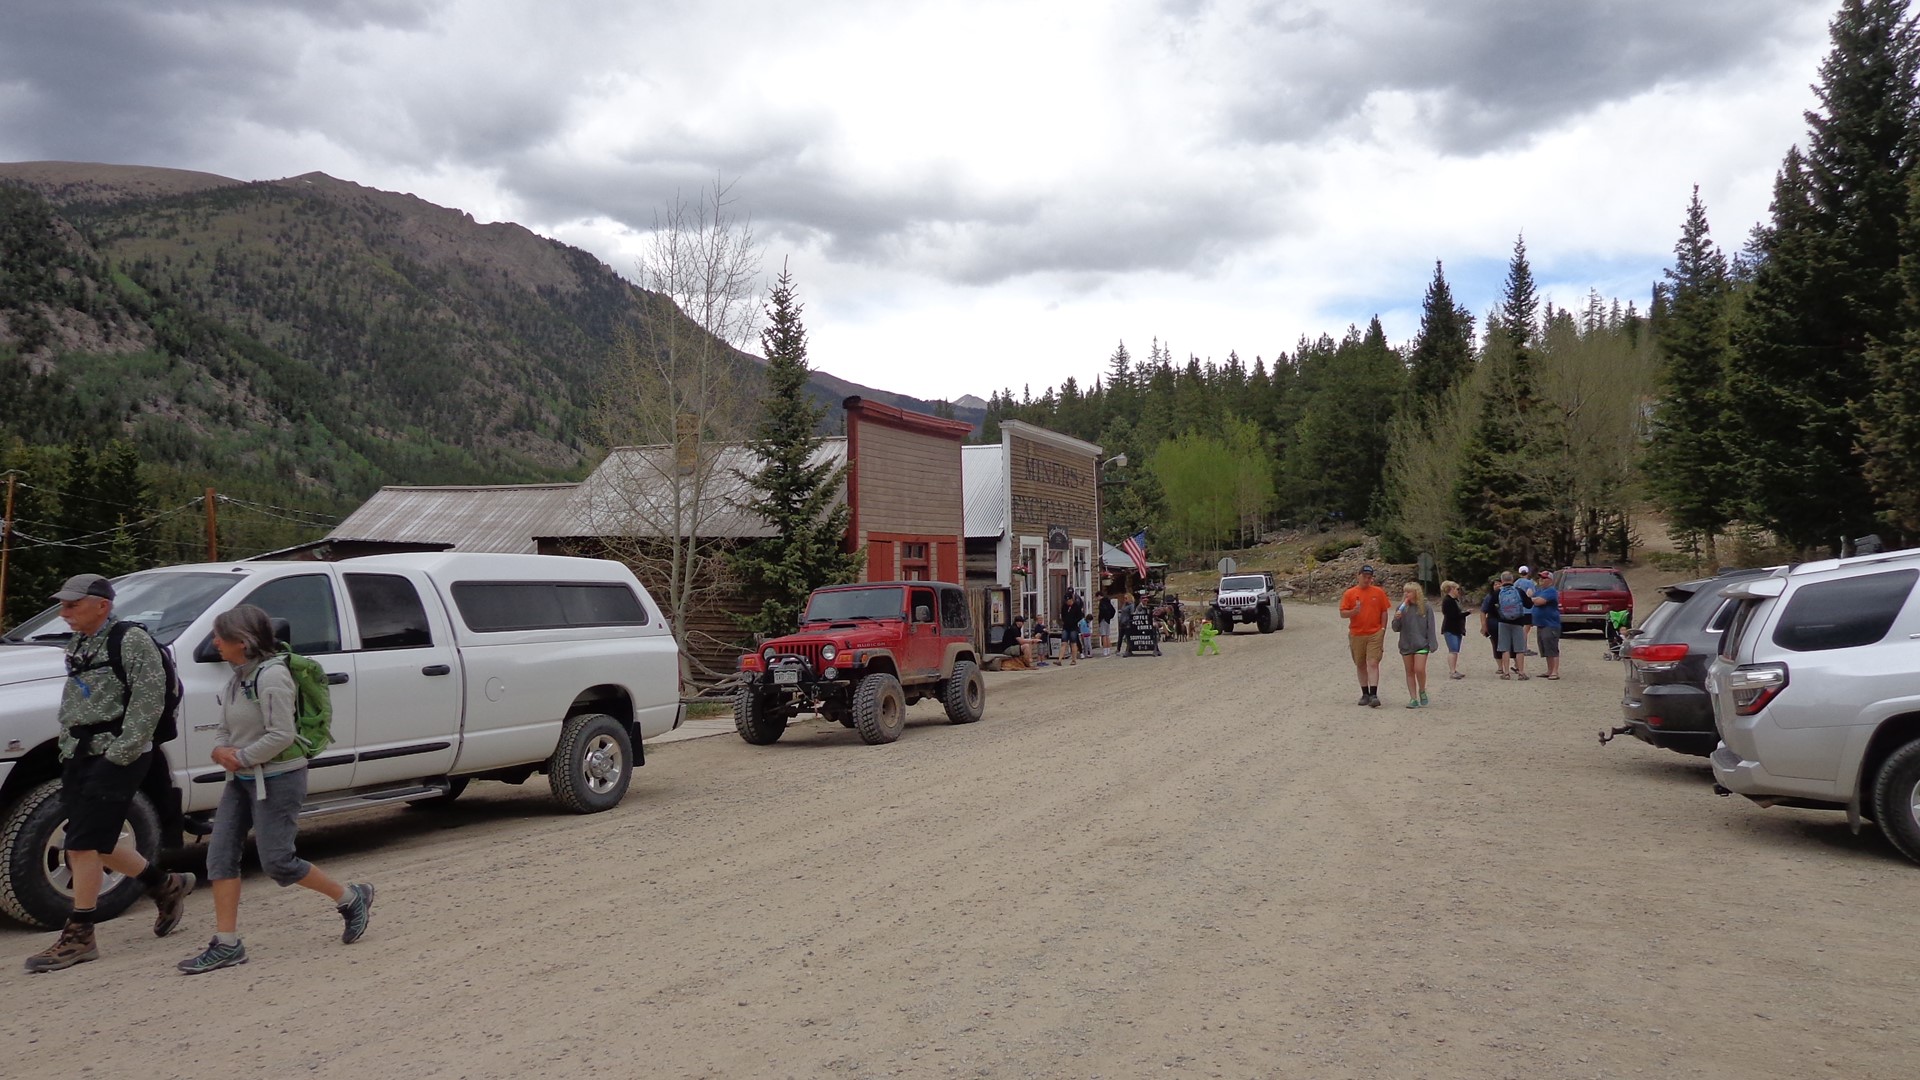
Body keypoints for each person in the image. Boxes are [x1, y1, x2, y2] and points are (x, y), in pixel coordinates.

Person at [176, 604, 373, 974]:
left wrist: (242, 757)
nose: (215, 642)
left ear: (243, 642)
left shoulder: (272, 677)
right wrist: (222, 750)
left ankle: (351, 898)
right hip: (243, 779)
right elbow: (224, 728)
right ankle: (227, 944)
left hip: (279, 778)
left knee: (278, 862)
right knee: (219, 858)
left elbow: (282, 735)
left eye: (221, 636)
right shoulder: (237, 677)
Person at [24, 574, 197, 974]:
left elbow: (148, 703)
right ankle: (164, 885)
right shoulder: (80, 643)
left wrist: (119, 754)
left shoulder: (131, 641)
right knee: (94, 841)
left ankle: (80, 935)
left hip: (118, 755)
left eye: (72, 605)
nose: (63, 613)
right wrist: (69, 744)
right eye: (63, 605)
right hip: (79, 754)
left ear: (101, 605)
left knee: (80, 844)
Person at [1339, 565, 1392, 707]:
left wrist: (1382, 629)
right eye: (1364, 577)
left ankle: (1374, 694)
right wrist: (1353, 612)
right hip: (1357, 633)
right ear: (1358, 576)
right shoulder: (1349, 594)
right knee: (1360, 663)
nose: (1367, 580)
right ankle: (1365, 693)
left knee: (1373, 662)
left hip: (1374, 633)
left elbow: (1384, 611)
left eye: (1369, 577)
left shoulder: (1378, 592)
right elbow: (1342, 613)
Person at [1391, 582, 1437, 708]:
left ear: (1416, 593)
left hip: (1421, 644)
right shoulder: (1401, 608)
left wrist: (1432, 643)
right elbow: (1395, 628)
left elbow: (1431, 626)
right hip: (1406, 644)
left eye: (1409, 592)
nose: (1406, 594)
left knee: (1419, 669)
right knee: (1409, 671)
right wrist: (1397, 618)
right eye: (1405, 591)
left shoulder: (1426, 607)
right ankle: (1413, 698)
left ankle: (1422, 690)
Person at [1493, 571, 1530, 680]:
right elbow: (1528, 605)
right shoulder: (1519, 591)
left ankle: (1506, 673)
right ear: (1512, 580)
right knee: (1519, 648)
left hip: (1503, 622)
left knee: (1505, 648)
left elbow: (1492, 608)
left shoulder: (1497, 593)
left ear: (1502, 580)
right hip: (1518, 622)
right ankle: (1521, 672)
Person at [1531, 569, 1563, 680]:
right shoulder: (1539, 591)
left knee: (1552, 648)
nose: (1541, 580)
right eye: (1540, 577)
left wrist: (1531, 598)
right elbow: (1534, 599)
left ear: (1550, 580)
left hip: (1551, 624)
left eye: (1544, 578)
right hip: (1541, 624)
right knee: (1545, 649)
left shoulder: (1551, 591)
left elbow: (1540, 601)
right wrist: (1533, 598)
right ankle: (1549, 670)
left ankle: (1555, 671)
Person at [1439, 580, 1468, 680]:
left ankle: (1454, 669)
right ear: (1451, 589)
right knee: (1453, 650)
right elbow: (1453, 615)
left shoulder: (1455, 600)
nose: (1458, 591)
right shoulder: (1447, 601)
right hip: (1450, 628)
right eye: (1456, 589)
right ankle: (1452, 671)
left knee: (1456, 650)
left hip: (1457, 628)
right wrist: (1466, 613)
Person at [1059, 589, 1086, 666]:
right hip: (1066, 627)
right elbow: (1063, 615)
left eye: (1068, 600)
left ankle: (1074, 659)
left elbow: (1080, 616)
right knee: (1063, 643)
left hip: (1073, 627)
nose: (1067, 602)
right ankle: (1059, 660)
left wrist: (1074, 621)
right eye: (1066, 600)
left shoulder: (1076, 606)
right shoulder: (1064, 607)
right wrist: (1065, 621)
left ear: (1071, 599)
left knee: (1073, 643)